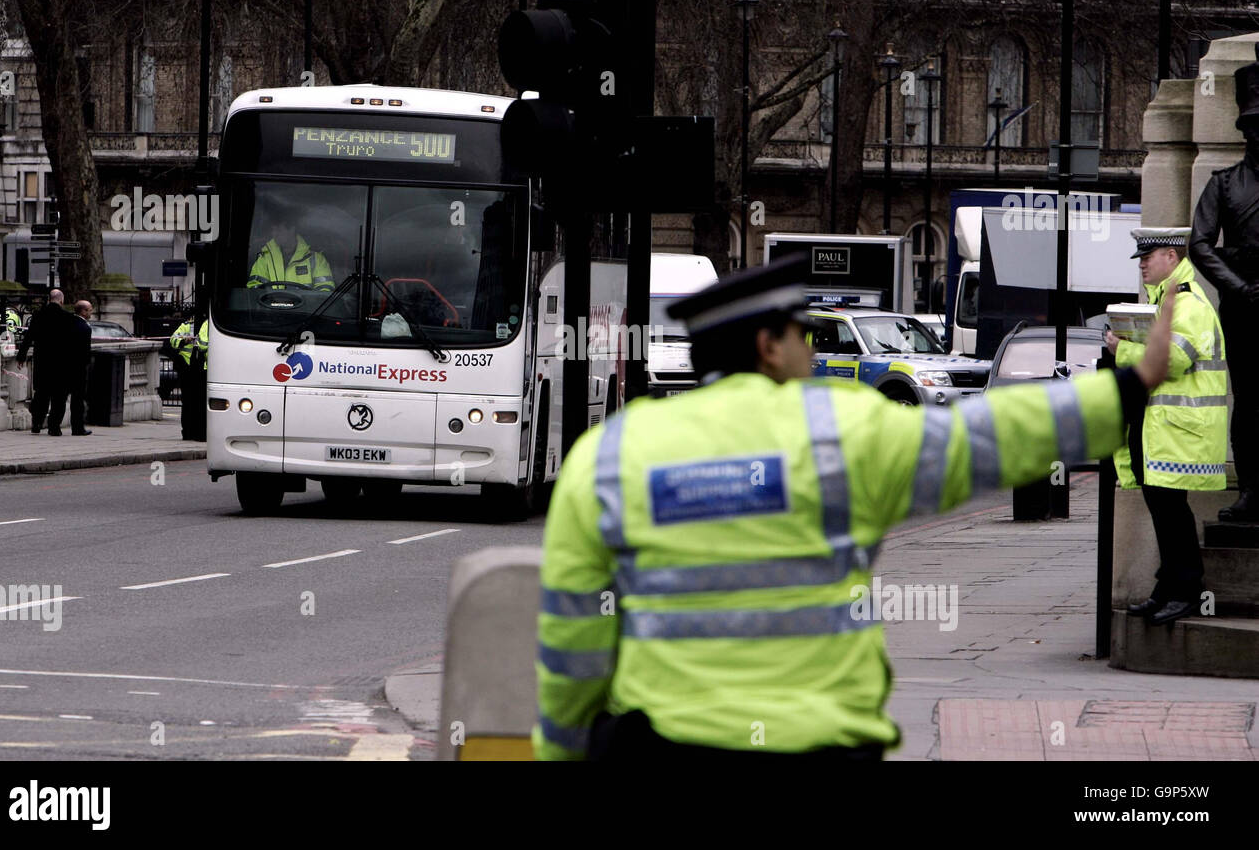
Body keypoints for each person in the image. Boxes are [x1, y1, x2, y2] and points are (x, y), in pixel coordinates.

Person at [534, 256, 1176, 761]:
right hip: (822, 745)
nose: (812, 354)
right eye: (802, 337)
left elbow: (573, 639)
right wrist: (1125, 386)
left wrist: (560, 750)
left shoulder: (612, 454)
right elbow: (984, 439)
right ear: (767, 346)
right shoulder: (838, 430)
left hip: (666, 745)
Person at [1105, 232, 1226, 626]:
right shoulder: (1165, 301)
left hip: (1180, 429)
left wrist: (1121, 349)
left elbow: (1172, 360)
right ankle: (1168, 586)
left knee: (1171, 510)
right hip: (1162, 428)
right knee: (1163, 509)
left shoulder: (1188, 303)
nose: (1141, 264)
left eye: (1148, 257)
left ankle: (1186, 591)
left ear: (1171, 256)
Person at [1189, 46, 1259, 522]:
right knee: (1250, 401)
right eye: (1253, 125)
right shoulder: (1225, 183)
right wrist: (1238, 287)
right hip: (1244, 307)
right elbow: (1199, 243)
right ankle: (1252, 488)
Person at [16, 289, 75, 436]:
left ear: (49, 299)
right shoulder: (67, 317)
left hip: (43, 361)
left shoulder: (38, 315)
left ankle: (37, 423)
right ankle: (54, 426)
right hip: (62, 363)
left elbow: (29, 337)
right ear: (61, 300)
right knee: (59, 397)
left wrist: (21, 356)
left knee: (41, 394)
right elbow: (72, 341)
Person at [246, 221, 334, 292]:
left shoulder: (317, 259)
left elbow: (325, 290)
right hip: (271, 313)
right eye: (273, 230)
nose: (274, 234)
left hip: (307, 313)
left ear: (292, 229)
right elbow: (254, 289)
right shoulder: (264, 257)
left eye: (279, 230)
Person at [169, 315, 208, 442]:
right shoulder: (187, 325)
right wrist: (184, 340)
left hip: (201, 368)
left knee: (197, 402)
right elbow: (173, 340)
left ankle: (195, 433)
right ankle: (188, 433)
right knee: (188, 402)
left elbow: (202, 345)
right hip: (188, 367)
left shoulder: (207, 324)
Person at [65, 300, 94, 436]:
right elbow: (85, 351)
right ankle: (77, 427)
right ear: (83, 311)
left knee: (60, 397)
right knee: (78, 399)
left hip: (65, 365)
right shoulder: (85, 328)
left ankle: (54, 427)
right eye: (89, 310)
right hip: (79, 367)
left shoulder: (67, 322)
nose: (91, 312)